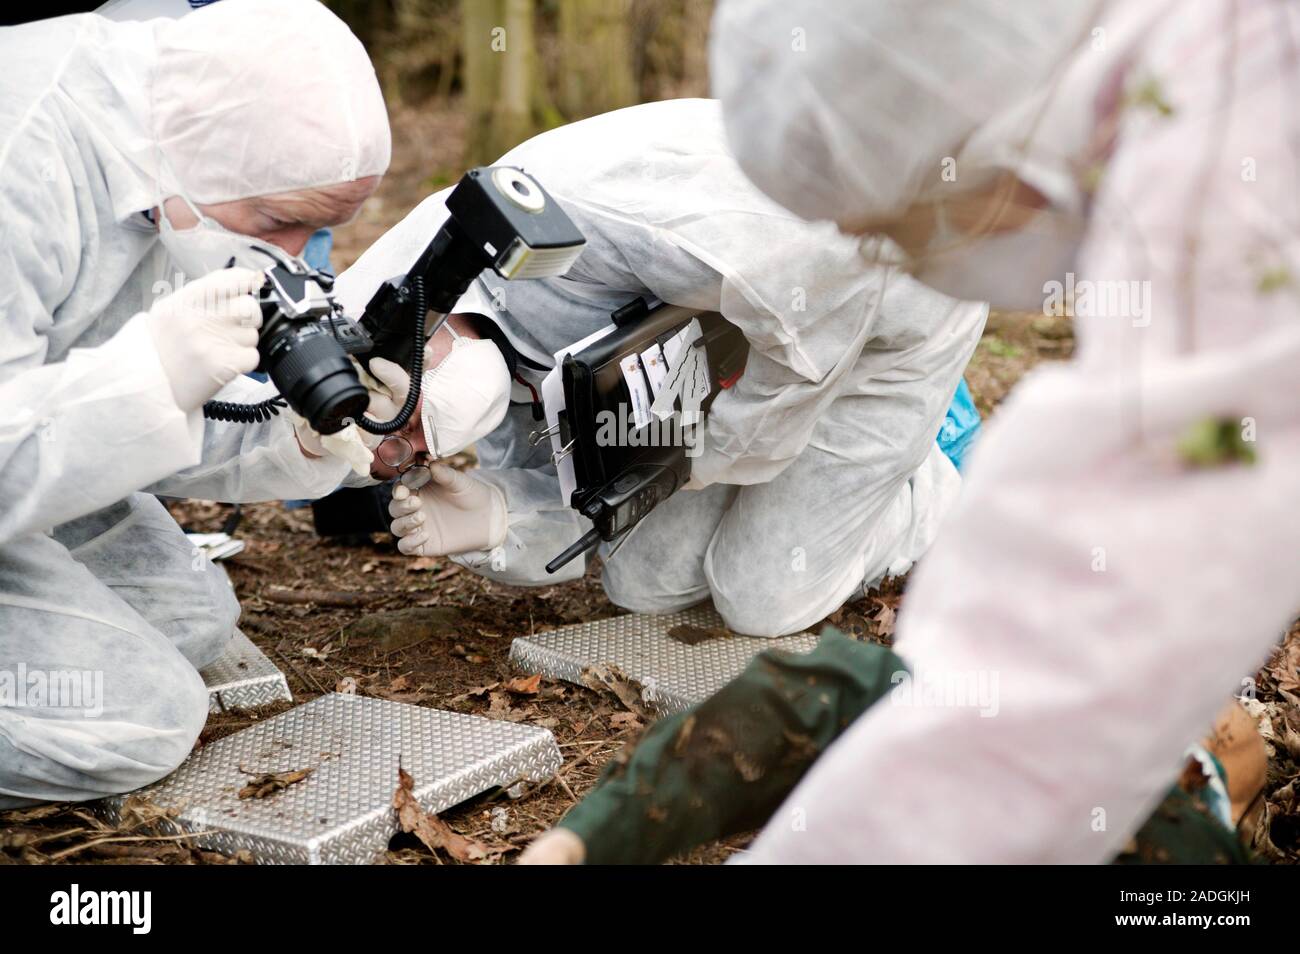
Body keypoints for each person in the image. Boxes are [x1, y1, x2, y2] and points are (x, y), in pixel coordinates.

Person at [696, 0, 1300, 862]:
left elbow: (1081, 647)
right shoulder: (1199, 65)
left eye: (896, 228)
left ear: (970, 143)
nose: (905, 260)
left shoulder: (1228, 153)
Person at [336, 98, 986, 639]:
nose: (410, 450)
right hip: (750, 342)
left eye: (396, 421)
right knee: (643, 582)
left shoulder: (599, 220)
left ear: (409, 326)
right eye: (395, 454)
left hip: (893, 298)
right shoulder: (467, 336)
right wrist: (502, 519)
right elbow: (578, 488)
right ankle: (800, 481)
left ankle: (922, 488)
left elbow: (817, 277)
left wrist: (707, 460)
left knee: (763, 598)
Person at [0, 0, 395, 806]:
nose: (289, 261)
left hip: (27, 444)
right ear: (208, 156)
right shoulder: (24, 157)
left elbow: (166, 422)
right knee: (132, 721)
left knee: (190, 616)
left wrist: (309, 440)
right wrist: (152, 380)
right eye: (280, 223)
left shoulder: (176, 151)